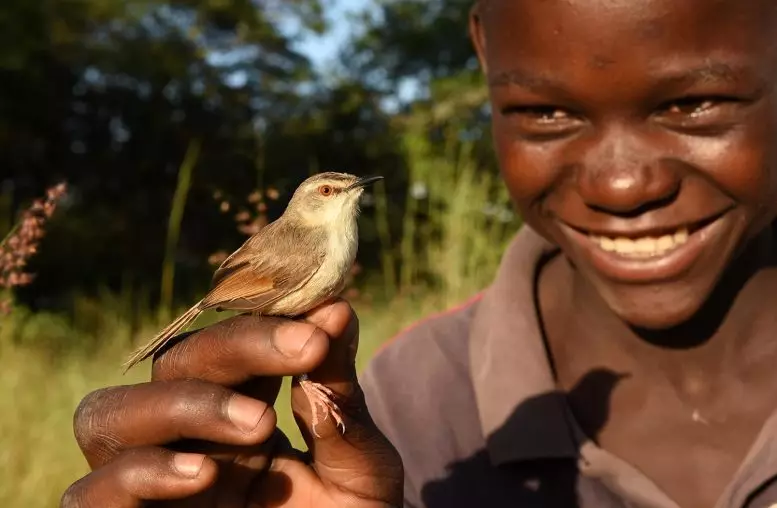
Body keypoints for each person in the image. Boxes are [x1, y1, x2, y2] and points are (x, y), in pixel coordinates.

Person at [61, 0, 777, 506]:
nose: (623, 185)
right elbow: (236, 290)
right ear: (481, 49)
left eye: (693, 101)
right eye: (545, 111)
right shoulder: (408, 393)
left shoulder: (417, 382)